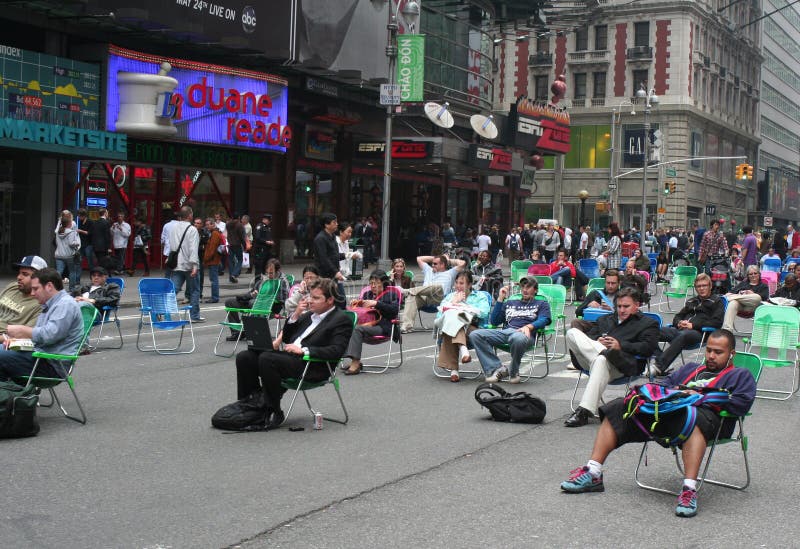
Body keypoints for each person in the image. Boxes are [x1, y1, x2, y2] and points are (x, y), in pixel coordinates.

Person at [560, 330, 756, 518]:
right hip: (669, 414)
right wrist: (668, 393)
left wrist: (701, 397)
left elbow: (741, 403)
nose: (712, 356)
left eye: (718, 352)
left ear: (732, 354)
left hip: (712, 421)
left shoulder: (740, 375)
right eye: (709, 350)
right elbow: (664, 384)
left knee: (693, 416)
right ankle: (593, 471)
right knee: (618, 407)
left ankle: (689, 489)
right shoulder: (691, 369)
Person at [234, 278, 355, 428]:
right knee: (245, 357)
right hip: (291, 358)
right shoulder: (307, 315)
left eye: (316, 298)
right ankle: (249, 404)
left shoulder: (340, 319)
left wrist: (304, 350)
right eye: (310, 296)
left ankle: (273, 410)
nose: (311, 301)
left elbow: (336, 351)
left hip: (312, 365)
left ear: (330, 300)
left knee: (267, 359)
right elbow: (286, 338)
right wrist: (296, 315)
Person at [564, 287, 660, 427]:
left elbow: (648, 348)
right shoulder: (605, 319)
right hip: (591, 359)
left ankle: (583, 412)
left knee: (602, 360)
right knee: (572, 332)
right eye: (619, 306)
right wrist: (598, 341)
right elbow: (590, 336)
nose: (621, 310)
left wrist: (620, 346)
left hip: (622, 365)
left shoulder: (648, 323)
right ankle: (602, 351)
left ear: (637, 305)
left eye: (626, 306)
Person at [0, 268, 84, 381]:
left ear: (49, 286)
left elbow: (50, 335)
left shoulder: (65, 304)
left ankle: (15, 393)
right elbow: (40, 340)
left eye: (35, 289)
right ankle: (13, 392)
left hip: (52, 364)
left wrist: (24, 331)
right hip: (41, 356)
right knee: (5, 347)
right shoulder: (51, 304)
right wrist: (16, 342)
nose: (32, 293)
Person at [468, 277, 551, 383]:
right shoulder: (511, 303)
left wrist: (528, 327)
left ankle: (513, 371)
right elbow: (494, 321)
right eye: (523, 287)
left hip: (525, 334)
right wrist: (500, 299)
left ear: (535, 290)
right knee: (475, 334)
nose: (525, 289)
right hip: (506, 332)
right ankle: (497, 369)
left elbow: (545, 319)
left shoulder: (542, 304)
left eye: (528, 287)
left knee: (517, 337)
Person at [654, 274, 724, 374]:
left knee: (683, 335)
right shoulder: (692, 301)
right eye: (699, 286)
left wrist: (693, 325)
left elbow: (717, 322)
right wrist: (679, 323)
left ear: (710, 286)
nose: (701, 288)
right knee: (653, 331)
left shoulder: (717, 301)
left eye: (704, 285)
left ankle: (659, 367)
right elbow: (677, 316)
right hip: (681, 330)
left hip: (700, 333)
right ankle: (660, 357)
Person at [434, 271, 491, 382]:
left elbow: (484, 312)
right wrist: (453, 303)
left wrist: (462, 305)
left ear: (469, 285)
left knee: (454, 320)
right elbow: (439, 315)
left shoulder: (480, 296)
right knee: (453, 319)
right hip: (454, 327)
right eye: (456, 283)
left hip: (473, 329)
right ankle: (463, 350)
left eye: (461, 283)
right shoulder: (450, 296)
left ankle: (454, 370)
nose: (458, 286)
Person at [343, 270, 400, 375]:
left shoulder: (390, 295)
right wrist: (356, 303)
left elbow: (394, 310)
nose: (373, 286)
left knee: (357, 329)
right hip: (367, 325)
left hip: (383, 327)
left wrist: (377, 303)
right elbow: (361, 312)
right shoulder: (367, 294)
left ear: (383, 283)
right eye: (371, 283)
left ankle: (355, 364)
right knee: (347, 327)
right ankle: (355, 361)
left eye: (376, 283)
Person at [224, 258, 290, 341]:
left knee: (253, 302)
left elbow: (283, 298)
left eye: (271, 273)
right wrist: (251, 294)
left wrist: (263, 297)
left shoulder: (282, 281)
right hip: (255, 302)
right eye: (267, 273)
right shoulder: (264, 279)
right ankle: (237, 333)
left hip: (270, 307)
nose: (269, 275)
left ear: (277, 271)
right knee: (229, 302)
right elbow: (251, 292)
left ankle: (253, 331)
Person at [399, 254, 466, 333]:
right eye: (432, 263)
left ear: (442, 264)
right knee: (412, 297)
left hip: (440, 299)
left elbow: (463, 263)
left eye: (435, 264)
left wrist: (447, 260)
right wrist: (435, 258)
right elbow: (419, 258)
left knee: (437, 286)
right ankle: (406, 326)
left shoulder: (450, 273)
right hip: (425, 298)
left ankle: (407, 291)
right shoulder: (428, 270)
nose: (432, 265)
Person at [169, 206, 203, 323]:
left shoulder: (173, 227)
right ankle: (194, 316)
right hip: (188, 264)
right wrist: (195, 266)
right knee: (194, 290)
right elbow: (193, 249)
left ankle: (161, 310)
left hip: (177, 263)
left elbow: (172, 245)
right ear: (189, 215)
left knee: (173, 289)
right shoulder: (192, 229)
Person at [0, 256, 46, 336]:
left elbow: (23, 336)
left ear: (39, 279)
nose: (18, 277)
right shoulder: (13, 287)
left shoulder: (40, 304)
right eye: (19, 273)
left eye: (25, 274)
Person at [313, 213, 346, 307]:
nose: (337, 224)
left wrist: (346, 255)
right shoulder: (320, 238)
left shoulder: (333, 236)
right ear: (326, 225)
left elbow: (334, 255)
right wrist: (335, 272)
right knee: (331, 301)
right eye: (334, 222)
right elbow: (324, 259)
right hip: (325, 276)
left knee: (340, 300)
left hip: (334, 274)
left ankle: (339, 319)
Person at [722, 265, 769, 331]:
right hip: (741, 306)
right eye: (750, 274)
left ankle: (731, 298)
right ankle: (727, 330)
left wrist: (751, 294)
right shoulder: (743, 283)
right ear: (748, 276)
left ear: (759, 274)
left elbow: (765, 298)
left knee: (757, 297)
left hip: (753, 307)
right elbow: (731, 291)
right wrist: (741, 293)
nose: (753, 275)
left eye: (755, 273)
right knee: (733, 303)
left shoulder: (763, 286)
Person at [572, 269, 621, 333]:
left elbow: (629, 316)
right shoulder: (595, 294)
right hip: (594, 324)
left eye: (613, 283)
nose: (610, 286)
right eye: (608, 283)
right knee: (576, 322)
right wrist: (587, 305)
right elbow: (578, 312)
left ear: (619, 283)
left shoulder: (623, 296)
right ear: (605, 282)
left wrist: (612, 309)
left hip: (614, 325)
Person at [54, 210, 81, 292]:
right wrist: (76, 243)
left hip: (58, 254)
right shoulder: (71, 232)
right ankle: (71, 288)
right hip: (69, 255)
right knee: (72, 271)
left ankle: (55, 287)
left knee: (59, 271)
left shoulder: (58, 232)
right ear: (69, 223)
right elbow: (71, 244)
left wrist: (59, 221)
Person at [202, 218, 223, 304]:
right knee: (214, 279)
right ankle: (215, 297)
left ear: (213, 224)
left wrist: (205, 259)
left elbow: (212, 249)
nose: (207, 226)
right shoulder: (215, 233)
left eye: (208, 225)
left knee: (214, 280)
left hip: (213, 260)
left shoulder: (214, 234)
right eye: (206, 225)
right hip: (214, 260)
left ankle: (215, 297)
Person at [225, 214, 246, 283]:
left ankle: (231, 276)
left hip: (230, 244)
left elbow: (227, 234)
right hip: (237, 245)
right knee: (240, 260)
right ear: (239, 217)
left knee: (231, 261)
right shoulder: (240, 225)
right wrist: (244, 245)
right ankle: (234, 274)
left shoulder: (228, 225)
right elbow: (242, 237)